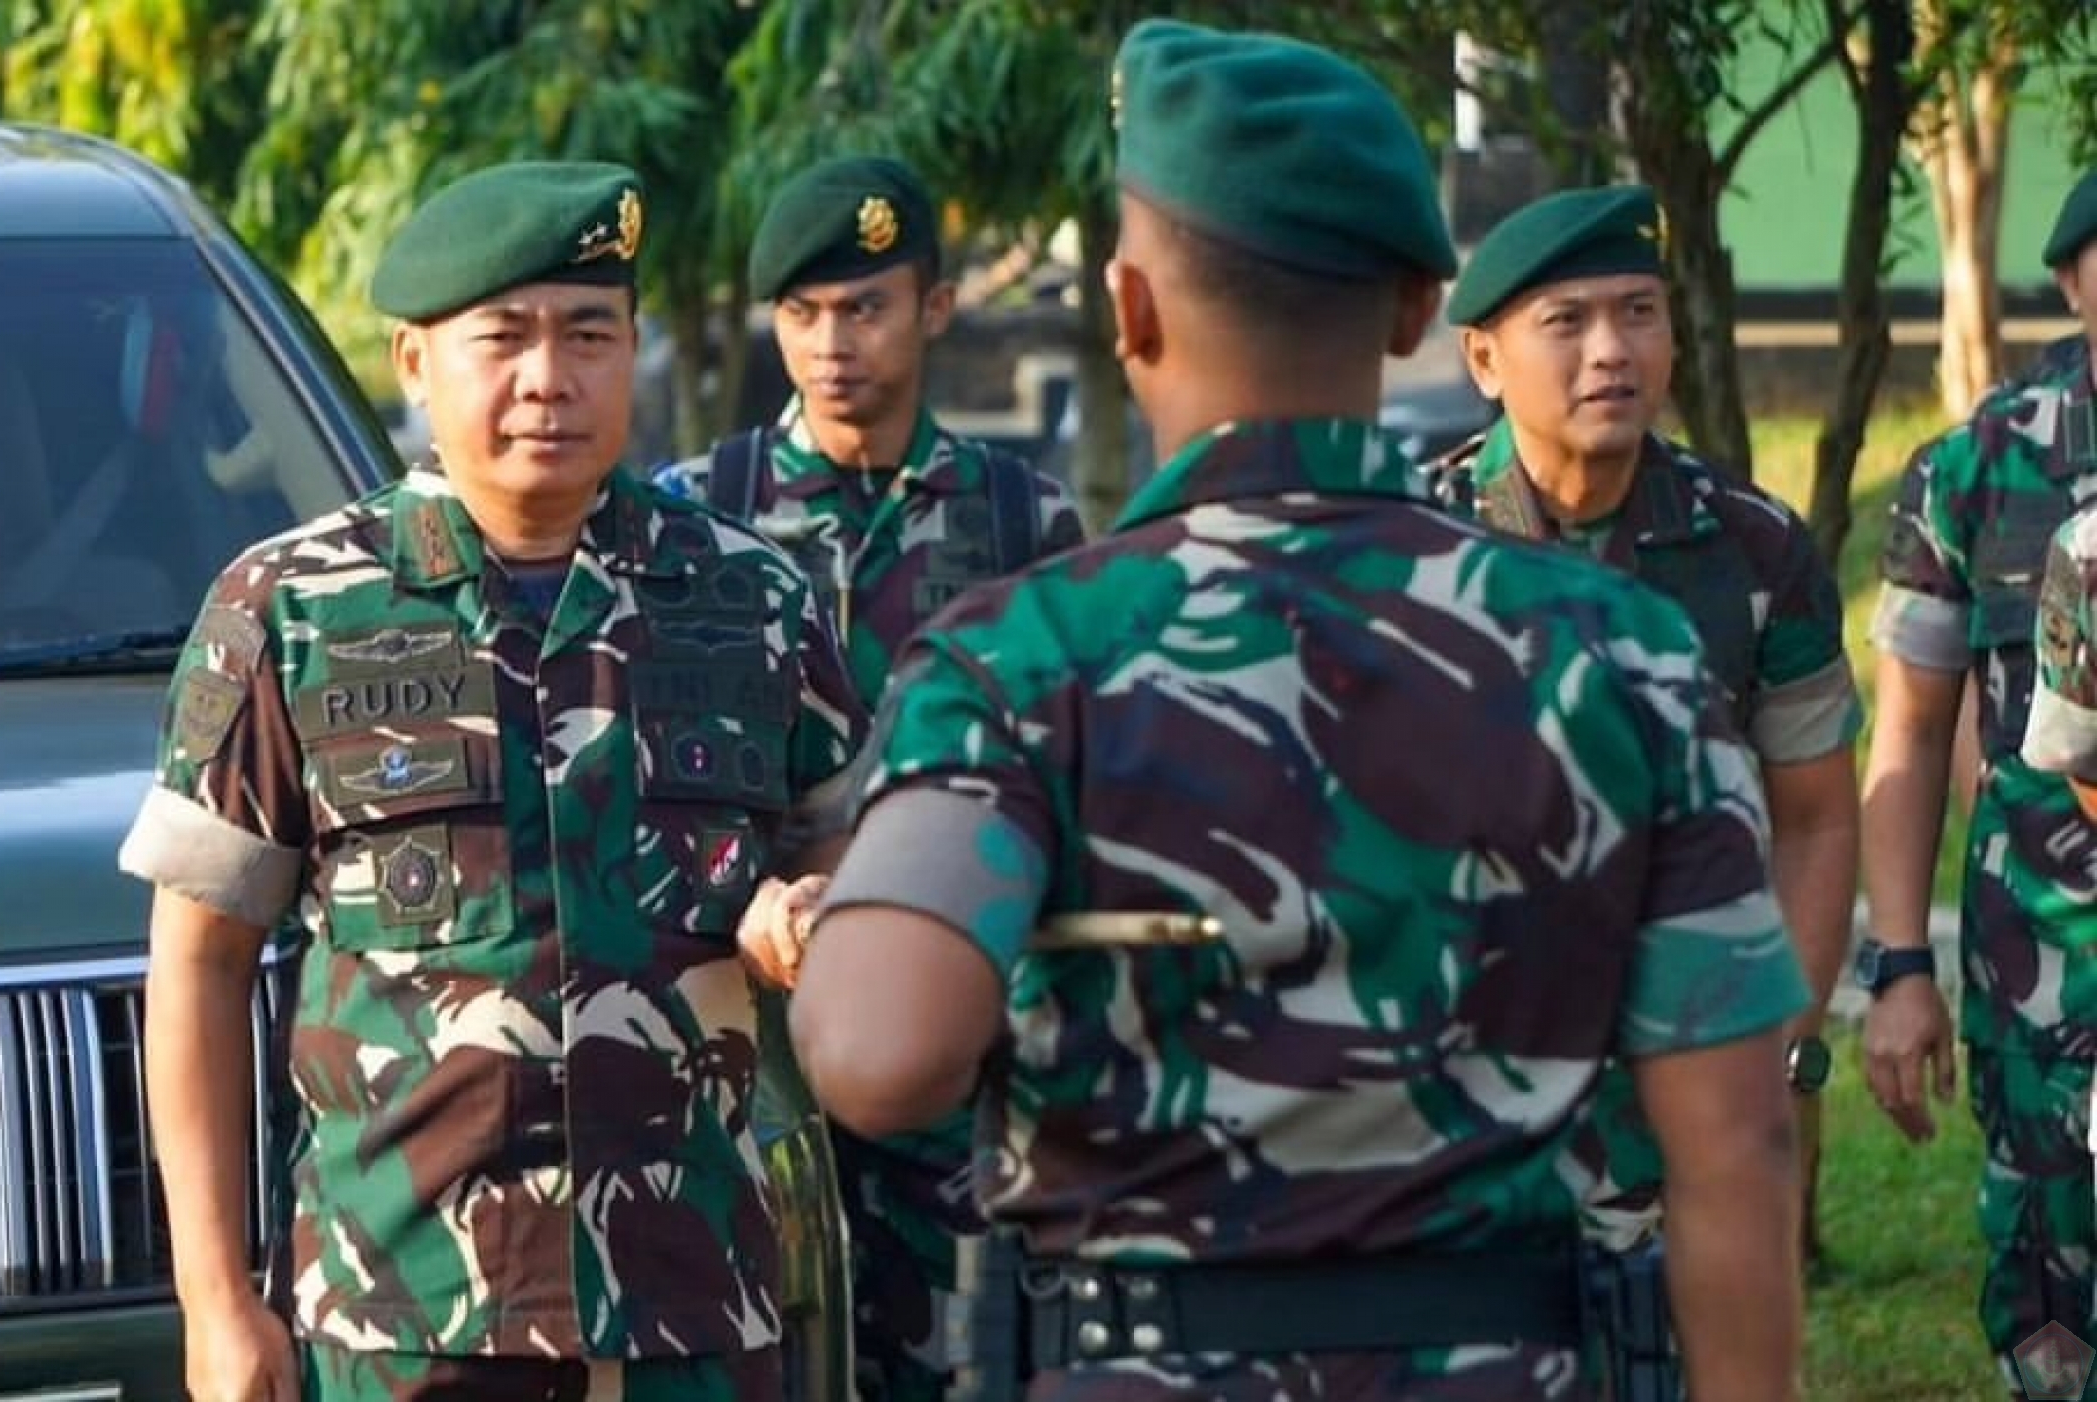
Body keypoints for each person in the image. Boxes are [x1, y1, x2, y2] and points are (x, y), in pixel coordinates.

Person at [786, 19, 1808, 1400]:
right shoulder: (1623, 649)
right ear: (1409, 315)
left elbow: (876, 1051)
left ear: (1129, 311)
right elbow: (1735, 1143)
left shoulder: (1018, 659)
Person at [119, 160, 868, 1402]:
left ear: (633, 349)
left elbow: (847, 850)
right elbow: (196, 962)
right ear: (415, 362)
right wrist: (214, 1299)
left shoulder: (753, 599)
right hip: (404, 1320)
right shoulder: (292, 610)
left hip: (699, 1307)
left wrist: (814, 910)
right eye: (503, 338)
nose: (548, 380)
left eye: (589, 335)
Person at [654, 153, 1084, 1402]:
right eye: (801, 313)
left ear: (936, 309)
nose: (831, 342)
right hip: (744, 1036)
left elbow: (1065, 780)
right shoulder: (697, 516)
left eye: (865, 307)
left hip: (950, 1034)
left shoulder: (1022, 522)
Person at [1425, 181, 1862, 1391]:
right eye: (1565, 322)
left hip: (1684, 1128)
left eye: (1638, 312)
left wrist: (1778, 1040)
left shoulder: (1751, 549)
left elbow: (1819, 815)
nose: (1611, 350)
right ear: (1482, 357)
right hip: (1460, 1133)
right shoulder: (1409, 547)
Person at [1862, 166, 2097, 1395]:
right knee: (2054, 1328)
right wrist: (1899, 966)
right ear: (2071, 279)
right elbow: (1903, 733)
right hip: (2042, 989)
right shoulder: (1977, 466)